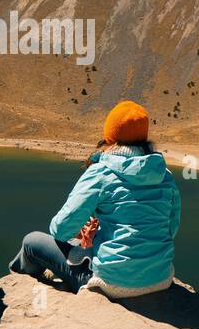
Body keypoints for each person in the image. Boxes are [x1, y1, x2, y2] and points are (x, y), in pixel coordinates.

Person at [9, 100, 178, 298]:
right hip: (160, 280)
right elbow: (170, 230)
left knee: (31, 242)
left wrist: (85, 235)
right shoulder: (164, 175)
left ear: (110, 135)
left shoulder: (101, 172)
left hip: (113, 285)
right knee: (76, 240)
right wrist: (98, 236)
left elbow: (60, 229)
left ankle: (15, 284)